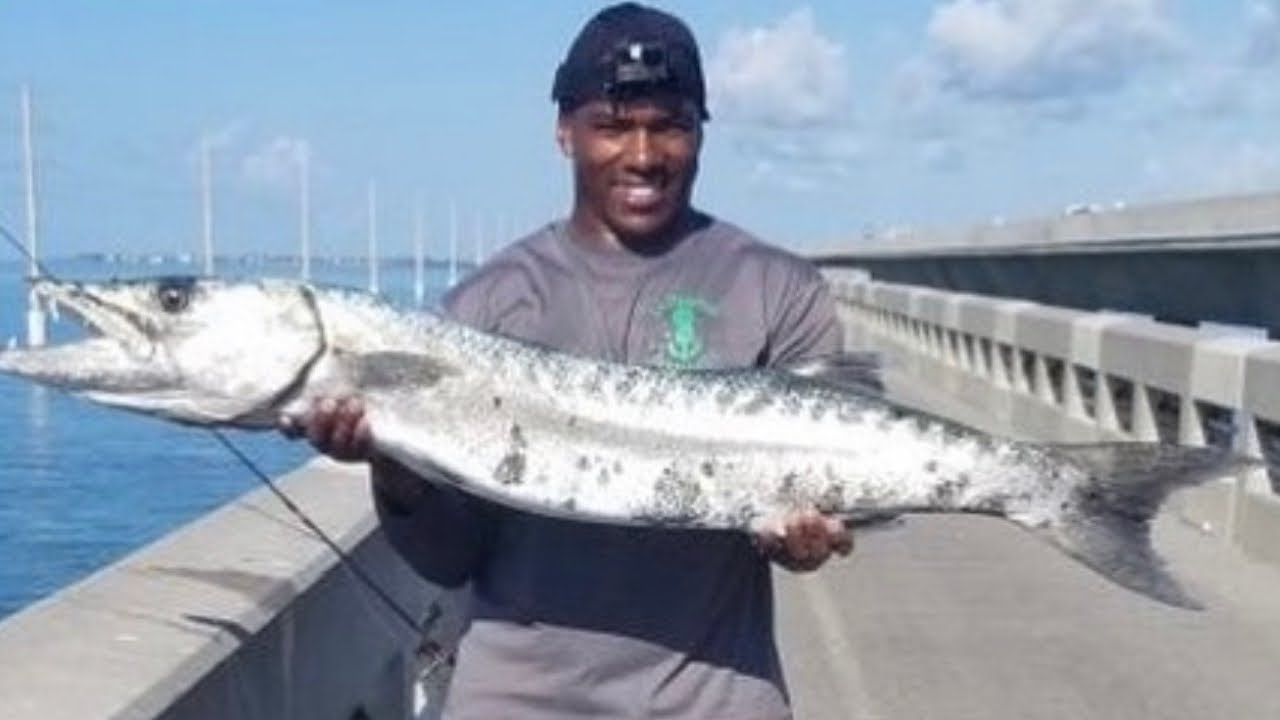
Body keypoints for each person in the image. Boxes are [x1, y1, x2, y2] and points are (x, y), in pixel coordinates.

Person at [294, 3, 854, 717]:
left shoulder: (779, 289)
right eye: (613, 127)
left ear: (701, 133)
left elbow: (809, 532)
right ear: (565, 132)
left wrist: (803, 542)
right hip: (519, 700)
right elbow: (449, 558)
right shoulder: (484, 307)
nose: (644, 156)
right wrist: (393, 468)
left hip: (717, 698)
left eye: (671, 126)